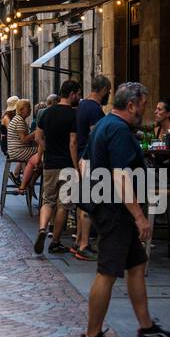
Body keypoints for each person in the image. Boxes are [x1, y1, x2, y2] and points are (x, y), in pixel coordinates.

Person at [78, 82, 170, 337]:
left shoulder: (104, 124)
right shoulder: (119, 130)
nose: (145, 110)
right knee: (107, 272)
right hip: (114, 211)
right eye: (143, 105)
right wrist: (139, 216)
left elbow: (85, 163)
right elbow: (120, 176)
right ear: (131, 105)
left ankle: (146, 328)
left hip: (109, 207)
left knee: (136, 264)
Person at [30, 80, 81, 256]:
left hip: (50, 164)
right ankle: (55, 242)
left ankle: (42, 228)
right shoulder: (73, 115)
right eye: (78, 94)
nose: (78, 97)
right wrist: (76, 167)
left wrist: (48, 149)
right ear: (72, 94)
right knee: (63, 205)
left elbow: (38, 137)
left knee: (48, 200)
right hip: (67, 165)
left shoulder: (46, 113)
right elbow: (73, 143)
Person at [71, 75, 112, 260]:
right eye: (108, 91)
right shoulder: (95, 109)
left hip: (82, 157)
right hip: (90, 159)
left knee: (83, 202)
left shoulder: (82, 105)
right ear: (103, 90)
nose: (109, 94)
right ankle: (84, 245)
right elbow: (96, 136)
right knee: (89, 202)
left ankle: (79, 241)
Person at [5, 99, 37, 191]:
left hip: (16, 150)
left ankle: (27, 179)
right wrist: (35, 133)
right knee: (41, 152)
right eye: (28, 107)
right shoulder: (19, 121)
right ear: (22, 109)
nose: (30, 109)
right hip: (18, 151)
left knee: (38, 153)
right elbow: (24, 140)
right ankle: (29, 181)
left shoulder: (18, 119)